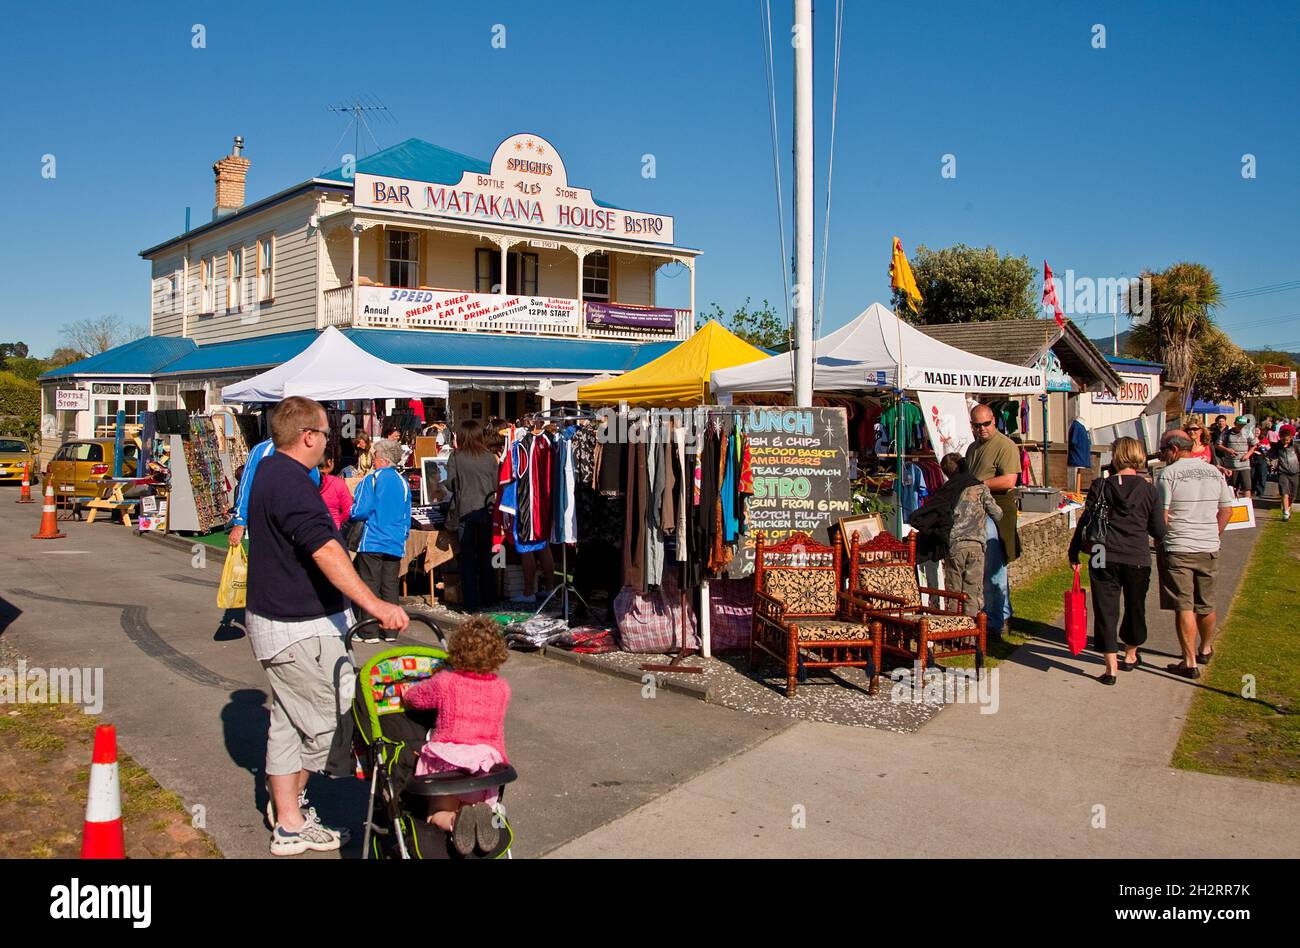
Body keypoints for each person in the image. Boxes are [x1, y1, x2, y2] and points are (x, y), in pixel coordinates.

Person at [244, 396, 408, 856]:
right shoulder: (291, 483)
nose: (331, 439)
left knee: (289, 723)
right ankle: (292, 816)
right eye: (326, 431)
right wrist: (376, 603)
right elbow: (326, 550)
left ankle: (288, 816)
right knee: (328, 726)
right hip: (300, 629)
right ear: (309, 436)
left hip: (282, 624)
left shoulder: (271, 471)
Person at [401, 617, 511, 856]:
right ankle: (478, 816)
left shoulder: (446, 682)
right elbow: (498, 731)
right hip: (484, 765)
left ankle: (452, 821)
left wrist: (406, 694)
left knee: (436, 812)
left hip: (448, 765)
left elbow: (418, 698)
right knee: (473, 802)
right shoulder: (502, 688)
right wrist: (501, 765)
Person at [1068, 437, 1167, 685]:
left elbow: (1085, 521)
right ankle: (1131, 654)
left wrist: (1074, 552)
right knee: (1135, 607)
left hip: (1103, 553)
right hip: (1136, 555)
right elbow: (1157, 530)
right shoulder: (1148, 490)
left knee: (1106, 610)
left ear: (1116, 456)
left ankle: (1110, 667)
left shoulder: (1101, 486)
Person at [1154, 429, 1235, 679]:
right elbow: (1227, 511)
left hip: (1178, 546)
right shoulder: (1213, 471)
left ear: (1175, 450)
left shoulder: (1168, 474)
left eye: (1163, 450)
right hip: (1208, 545)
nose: (1162, 455)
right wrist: (1215, 533)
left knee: (1184, 604)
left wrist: (1160, 539)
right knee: (1206, 602)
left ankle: (1189, 661)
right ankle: (1206, 647)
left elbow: (1163, 515)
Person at [347, 438, 411, 642]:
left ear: (382, 459)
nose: (373, 459)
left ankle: (368, 631)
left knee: (369, 585)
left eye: (375, 456)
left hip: (372, 539)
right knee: (390, 585)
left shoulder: (372, 479)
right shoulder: (403, 482)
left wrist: (350, 512)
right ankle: (390, 630)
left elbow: (360, 510)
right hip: (394, 540)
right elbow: (407, 514)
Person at [965, 404, 1020, 638]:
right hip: (975, 512)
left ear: (994, 421)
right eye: (977, 425)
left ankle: (998, 621)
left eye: (986, 424)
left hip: (997, 512)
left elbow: (1009, 480)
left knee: (994, 568)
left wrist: (979, 485)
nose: (982, 429)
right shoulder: (972, 448)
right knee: (982, 567)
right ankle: (999, 614)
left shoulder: (1005, 445)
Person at [932, 453, 1002, 618]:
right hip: (975, 545)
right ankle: (969, 635)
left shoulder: (947, 490)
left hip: (954, 546)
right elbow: (997, 514)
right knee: (973, 591)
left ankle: (953, 632)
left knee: (953, 592)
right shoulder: (979, 489)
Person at [445, 420, 501, 613]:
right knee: (486, 556)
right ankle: (489, 597)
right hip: (486, 510)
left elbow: (451, 484)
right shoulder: (489, 457)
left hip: (465, 511)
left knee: (467, 559)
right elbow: (496, 484)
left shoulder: (456, 456)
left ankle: (471, 601)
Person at [1218, 415, 1258, 499]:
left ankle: (1247, 506)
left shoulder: (1247, 432)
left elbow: (1254, 445)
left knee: (1247, 487)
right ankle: (1234, 506)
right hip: (1231, 466)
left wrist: (1248, 455)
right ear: (1235, 424)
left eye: (1243, 425)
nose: (1241, 427)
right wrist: (1227, 450)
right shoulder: (1226, 433)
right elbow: (1218, 445)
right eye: (1240, 425)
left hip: (1244, 465)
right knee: (1232, 488)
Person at [1270, 424, 1300, 521]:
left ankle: (1287, 507)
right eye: (1283, 440)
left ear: (1291, 438)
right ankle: (1286, 513)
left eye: (1287, 440)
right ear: (1280, 438)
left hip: (1295, 472)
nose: (1285, 442)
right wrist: (1271, 462)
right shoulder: (1277, 447)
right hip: (1283, 472)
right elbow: (1270, 455)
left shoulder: (1296, 446)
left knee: (1293, 495)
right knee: (1284, 492)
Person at [317, 452, 353, 530]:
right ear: (329, 462)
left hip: (311, 532)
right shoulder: (338, 483)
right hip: (333, 529)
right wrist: (338, 520)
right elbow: (348, 510)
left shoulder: (305, 481)